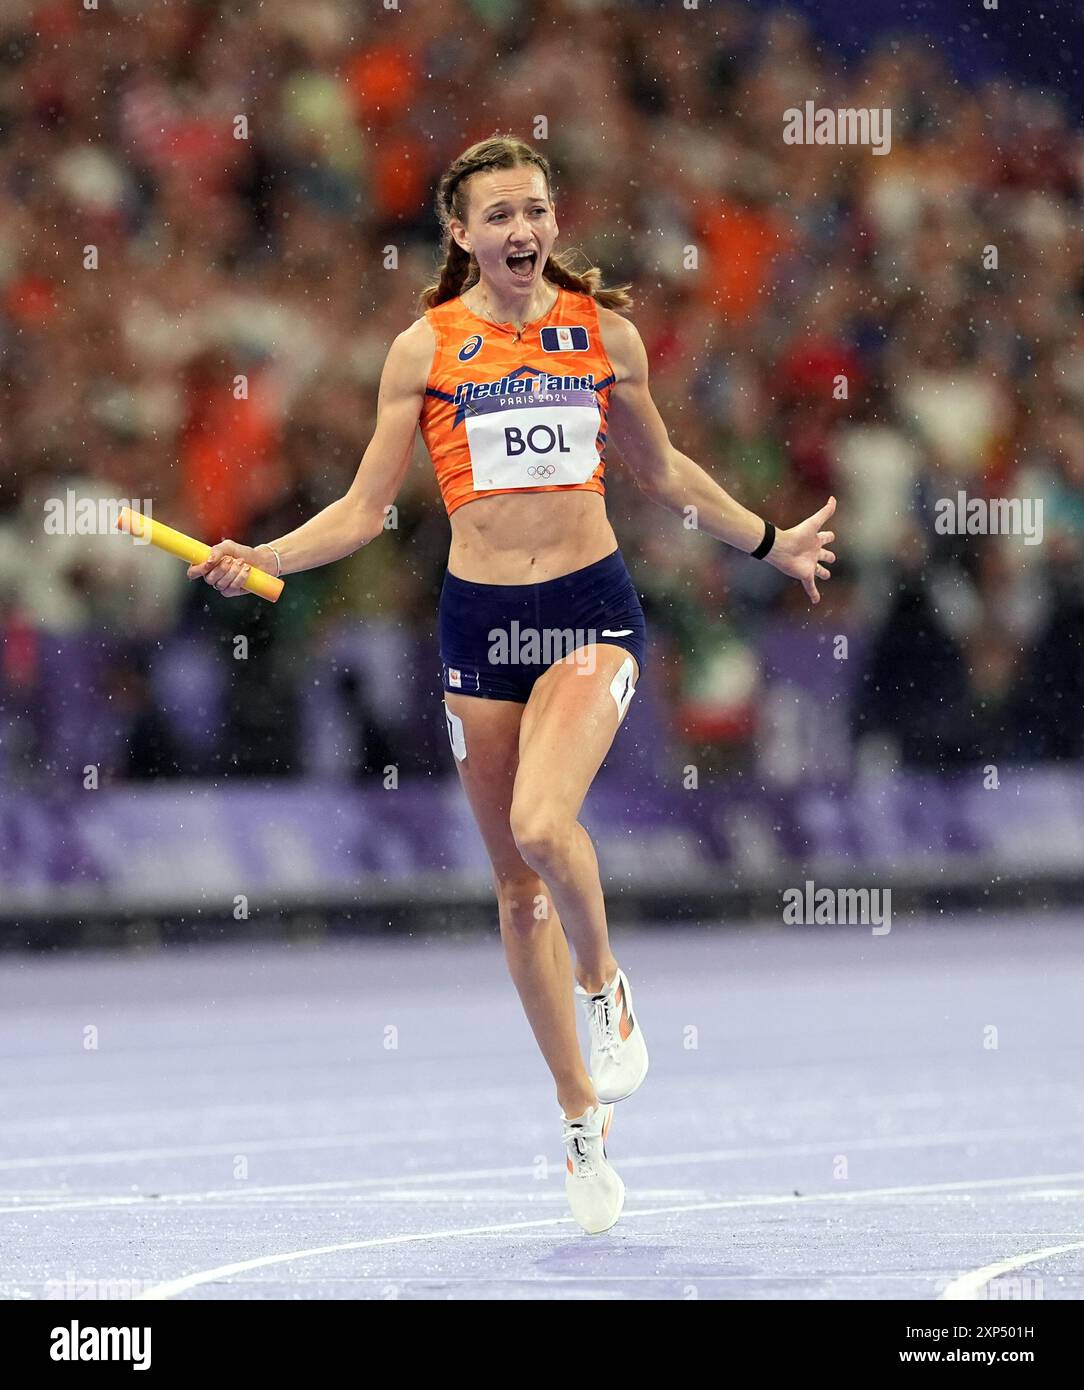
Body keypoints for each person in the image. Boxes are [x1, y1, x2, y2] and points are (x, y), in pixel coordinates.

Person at [187, 133, 837, 1235]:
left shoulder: (604, 336)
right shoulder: (423, 350)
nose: (521, 231)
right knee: (515, 887)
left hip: (588, 609)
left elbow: (658, 470)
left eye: (534, 210)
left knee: (545, 823)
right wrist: (264, 557)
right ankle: (578, 1113)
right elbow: (360, 509)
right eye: (497, 216)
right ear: (460, 234)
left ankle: (605, 988)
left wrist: (765, 538)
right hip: (479, 626)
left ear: (552, 218)